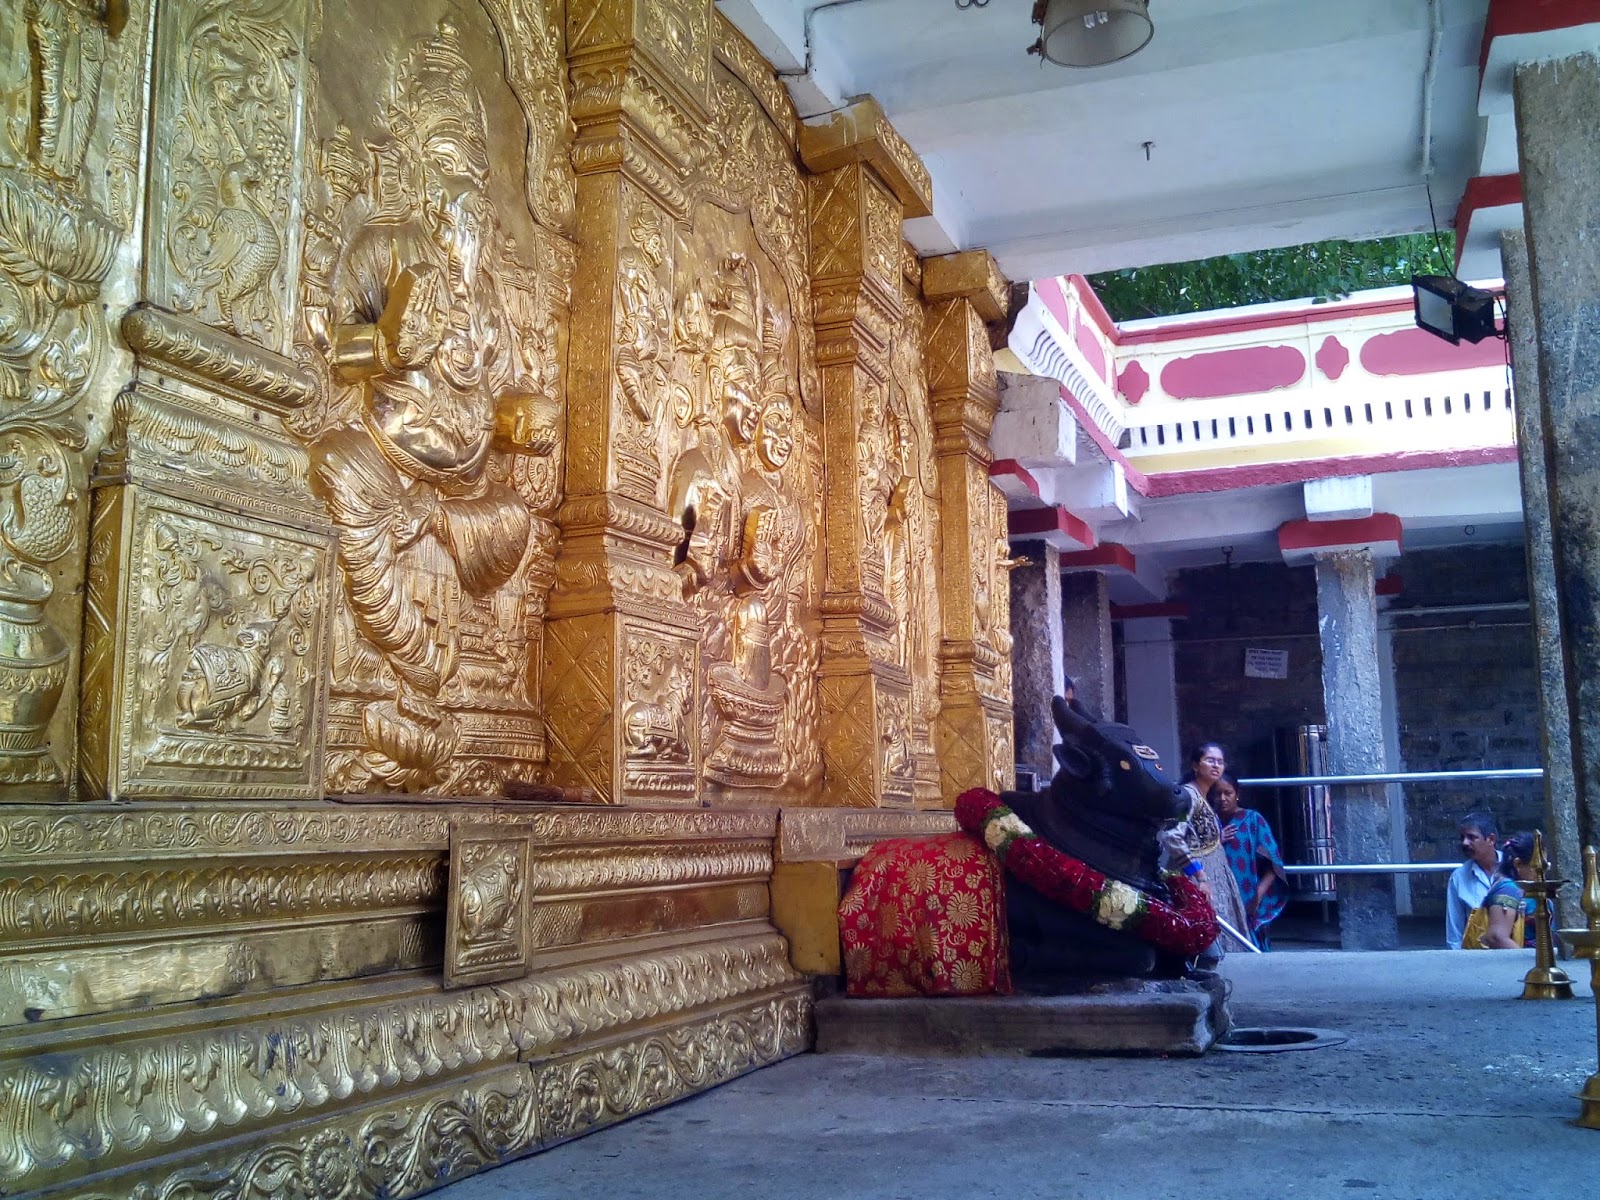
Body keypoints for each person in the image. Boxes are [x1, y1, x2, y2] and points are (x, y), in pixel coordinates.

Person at [1170, 742, 1255, 953]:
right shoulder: (1188, 796)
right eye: (1210, 760)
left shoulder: (1203, 797)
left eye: (1220, 762)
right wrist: (1199, 875)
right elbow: (1172, 835)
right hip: (1200, 876)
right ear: (1195, 766)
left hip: (1217, 873)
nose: (1216, 766)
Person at [1210, 773, 1289, 947]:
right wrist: (1217, 841)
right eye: (1217, 793)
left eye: (1227, 793)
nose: (1222, 798)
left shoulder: (1253, 820)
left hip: (1247, 896)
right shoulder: (1209, 822)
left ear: (1237, 794)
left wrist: (1257, 897)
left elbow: (1273, 865)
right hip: (1217, 896)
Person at [1445, 812, 1523, 949]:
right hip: (1477, 956)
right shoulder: (1458, 877)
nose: (1464, 843)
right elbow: (1455, 930)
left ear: (1491, 839)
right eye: (1462, 837)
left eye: (1471, 837)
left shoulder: (1517, 867)